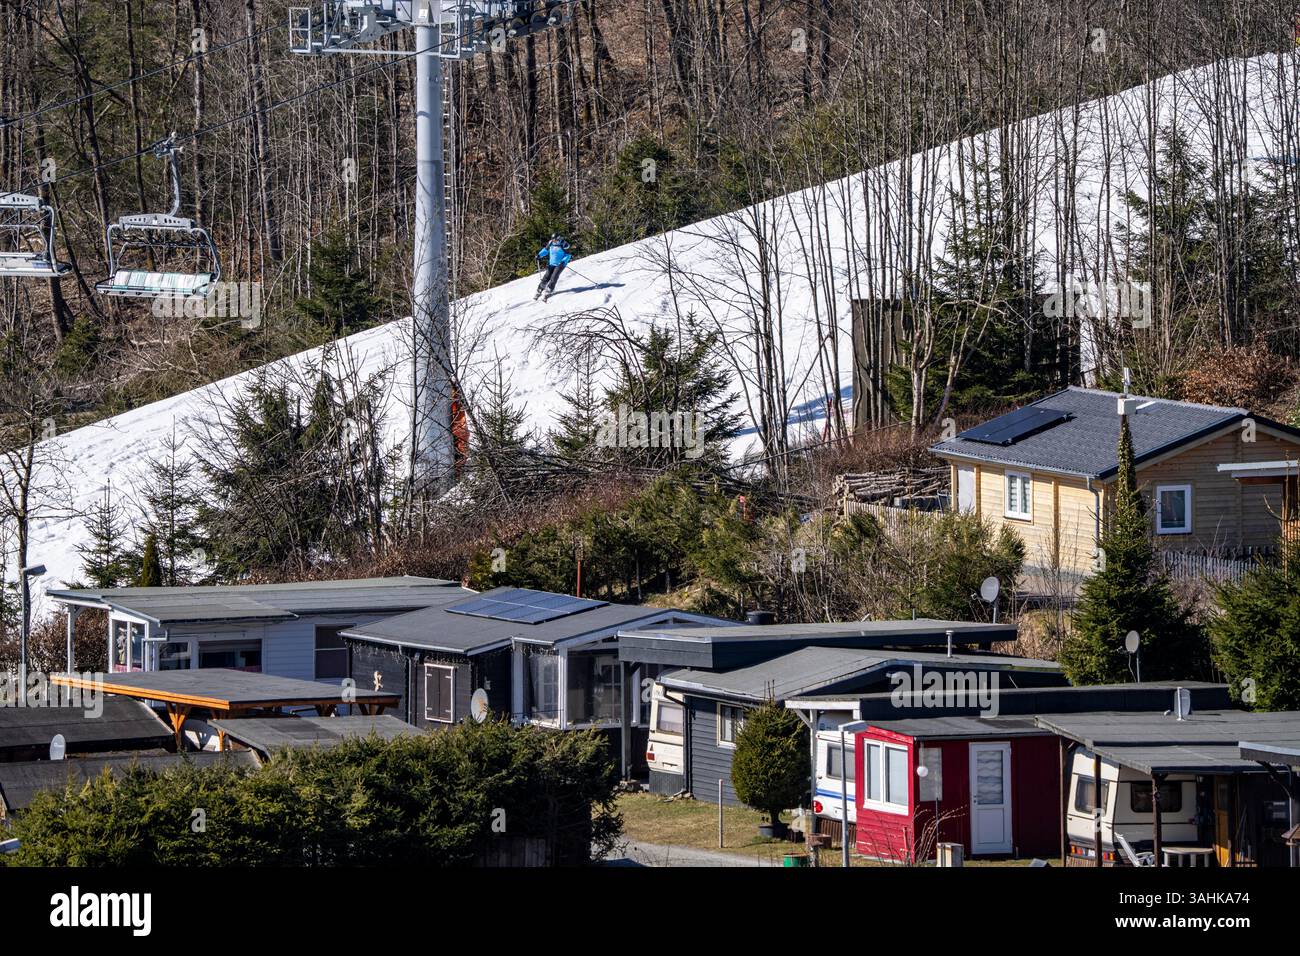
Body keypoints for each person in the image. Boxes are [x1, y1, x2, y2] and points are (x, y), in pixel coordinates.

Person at [535, 233, 572, 301]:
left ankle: (549, 290)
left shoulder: (564, 244)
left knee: (554, 277)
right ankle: (539, 289)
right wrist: (539, 255)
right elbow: (545, 250)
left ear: (558, 239)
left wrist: (563, 261)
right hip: (552, 263)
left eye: (555, 240)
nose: (553, 241)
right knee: (546, 276)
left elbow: (568, 255)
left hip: (560, 264)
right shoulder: (551, 243)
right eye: (553, 239)